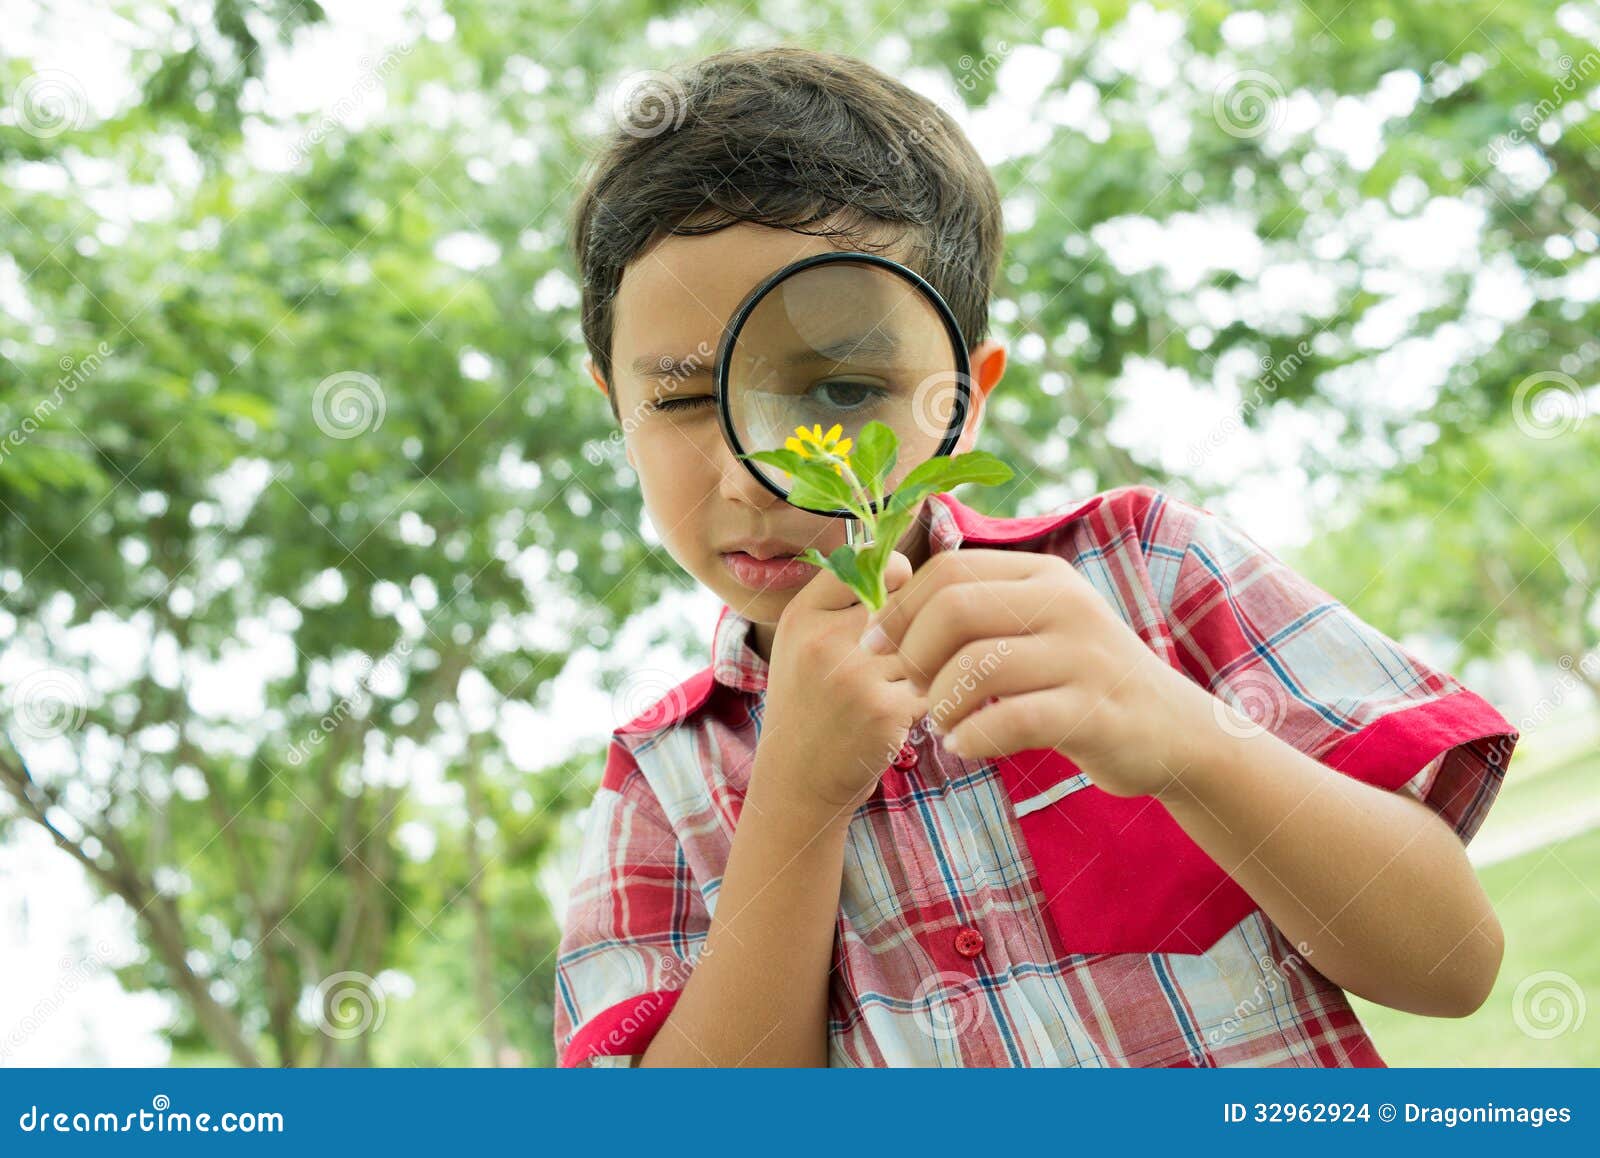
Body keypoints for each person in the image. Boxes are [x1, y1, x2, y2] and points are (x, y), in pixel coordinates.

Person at [552, 45, 1518, 1067]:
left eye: (841, 390)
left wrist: (1183, 739)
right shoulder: (665, 780)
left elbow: (1452, 965)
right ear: (616, 408)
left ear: (963, 402)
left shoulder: (1150, 570)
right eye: (681, 399)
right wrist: (794, 804)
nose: (756, 478)